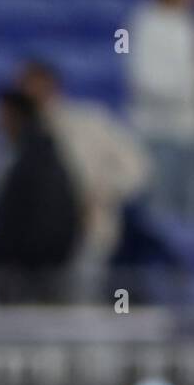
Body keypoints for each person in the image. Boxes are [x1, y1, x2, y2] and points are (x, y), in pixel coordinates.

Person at [20, 61, 149, 302]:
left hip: (89, 230)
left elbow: (139, 168)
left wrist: (100, 192)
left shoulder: (90, 121)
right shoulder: (18, 130)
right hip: (35, 241)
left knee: (82, 303)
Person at [126, 0, 194, 217]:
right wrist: (190, 89)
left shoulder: (189, 21)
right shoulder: (144, 22)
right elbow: (144, 80)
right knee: (160, 211)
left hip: (192, 130)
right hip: (157, 131)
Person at [0, 88, 79, 302]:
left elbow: (20, 226)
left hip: (33, 273)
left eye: (1, 114)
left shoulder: (33, 163)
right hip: (34, 267)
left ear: (14, 116)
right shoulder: (27, 154)